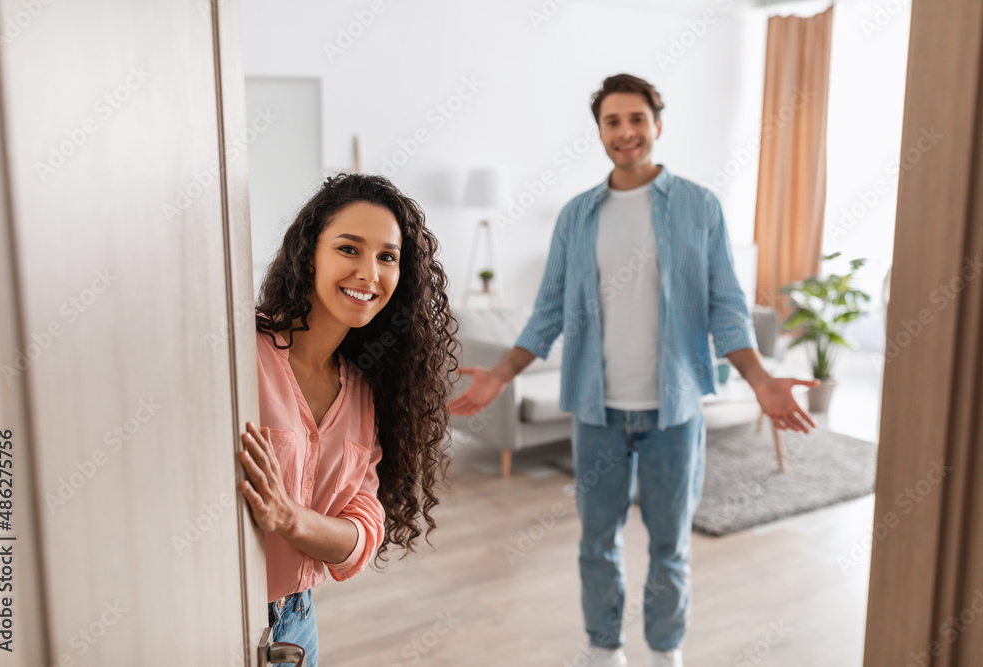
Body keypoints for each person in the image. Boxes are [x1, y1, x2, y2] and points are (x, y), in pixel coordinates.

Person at [447, 74, 818, 667]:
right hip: (598, 412)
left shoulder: (699, 206)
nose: (625, 132)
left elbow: (726, 307)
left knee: (670, 543)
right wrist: (502, 373)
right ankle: (604, 648)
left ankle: (665, 650)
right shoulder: (577, 216)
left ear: (657, 125)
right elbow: (549, 310)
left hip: (675, 411)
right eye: (612, 122)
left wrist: (760, 380)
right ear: (599, 132)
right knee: (597, 541)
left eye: (636, 119)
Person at [238, 172, 459, 666]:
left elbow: (362, 534)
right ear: (309, 255)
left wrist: (291, 519)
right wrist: (313, 527)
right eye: (349, 249)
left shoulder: (362, 389)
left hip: (296, 623)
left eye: (387, 257)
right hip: (224, 617)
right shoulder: (244, 353)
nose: (369, 273)